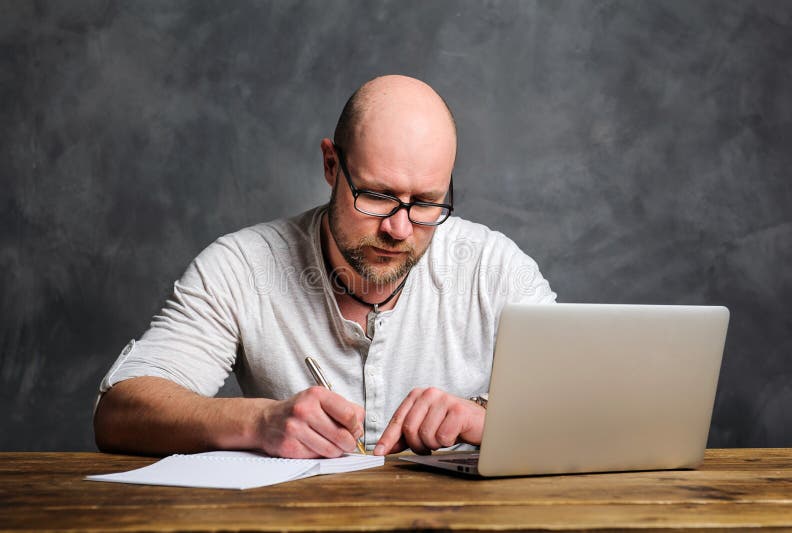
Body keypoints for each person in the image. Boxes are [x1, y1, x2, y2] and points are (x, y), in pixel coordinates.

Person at [93, 75, 556, 459]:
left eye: (427, 203)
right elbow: (118, 412)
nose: (399, 228)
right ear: (331, 165)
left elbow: (589, 405)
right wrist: (259, 422)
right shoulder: (242, 267)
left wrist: (487, 420)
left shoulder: (493, 266)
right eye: (376, 195)